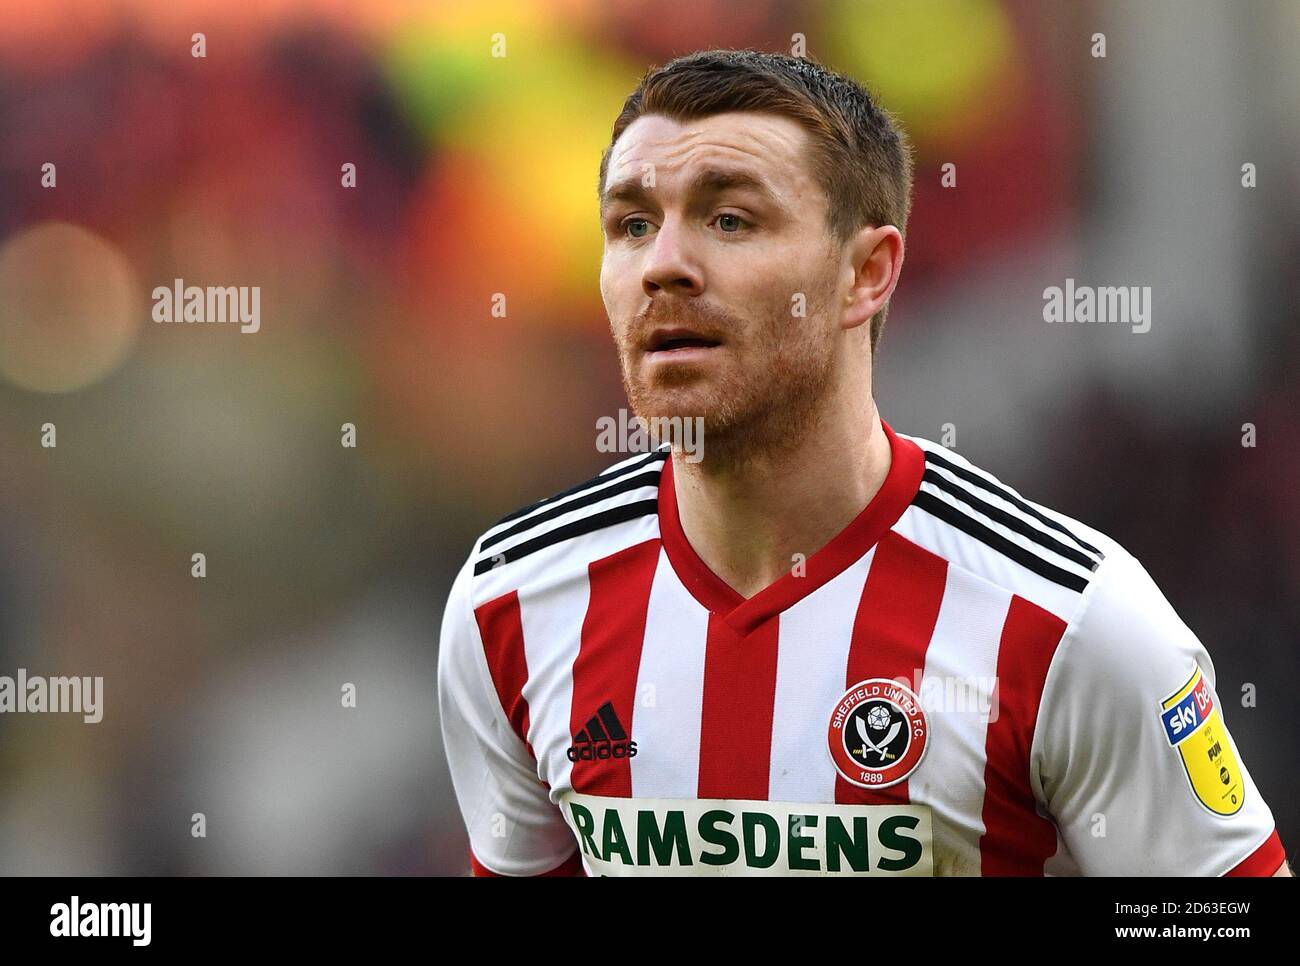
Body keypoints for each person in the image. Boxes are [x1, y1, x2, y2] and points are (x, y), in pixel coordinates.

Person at [438, 49, 1290, 877]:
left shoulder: (1069, 620)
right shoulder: (511, 600)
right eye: (631, 225)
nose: (663, 265)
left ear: (866, 273)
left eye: (730, 219)